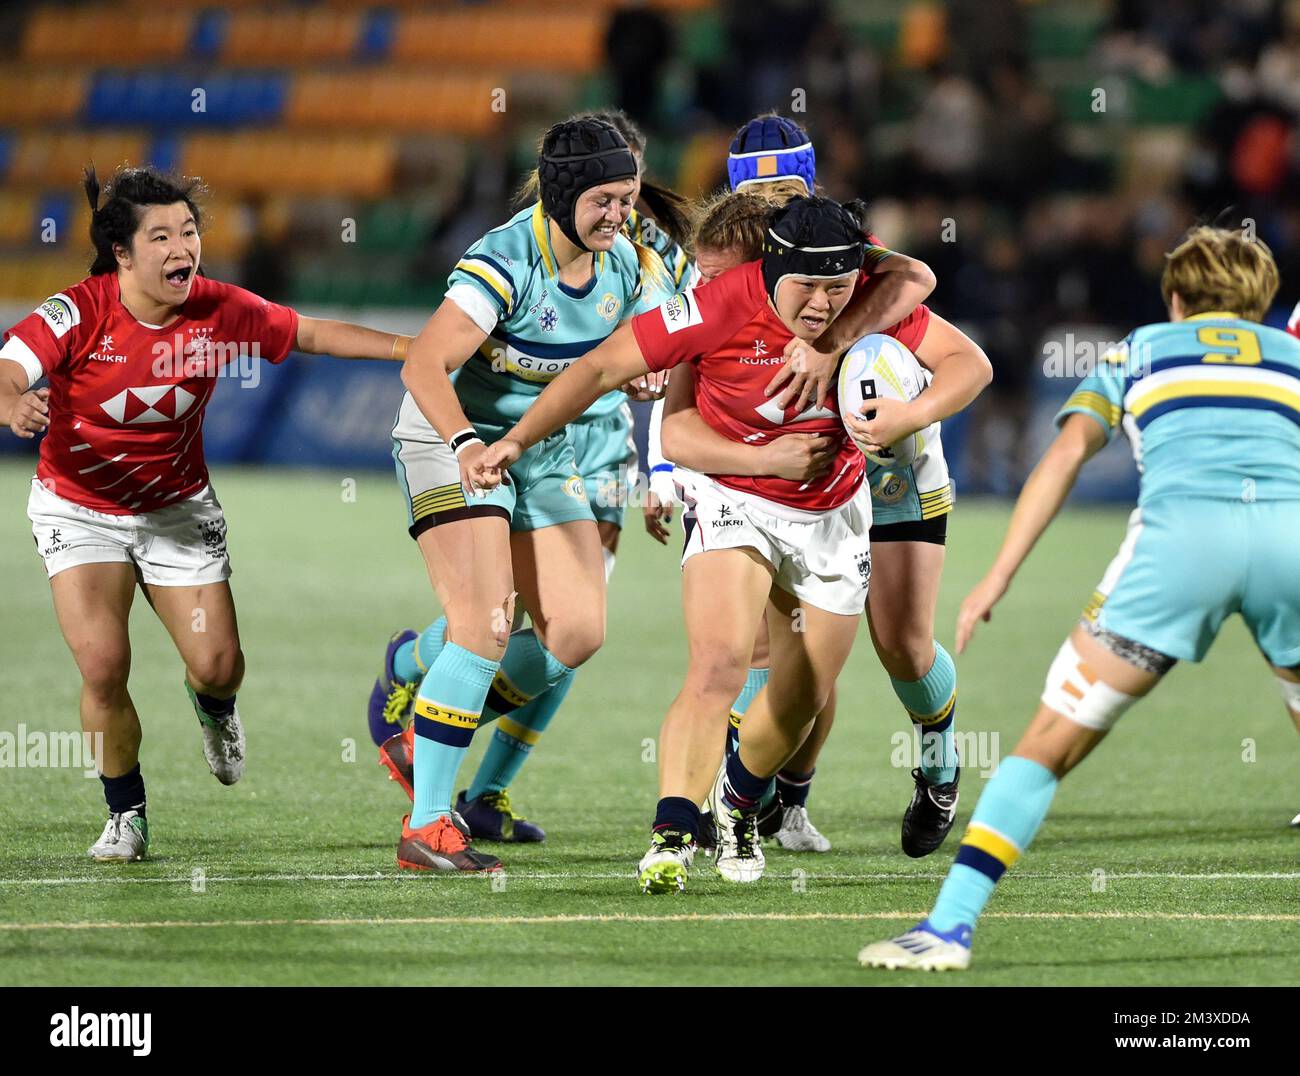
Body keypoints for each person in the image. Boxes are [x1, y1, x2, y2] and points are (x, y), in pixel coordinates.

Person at [859, 227, 1300, 971]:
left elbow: (1064, 455)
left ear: (1176, 298)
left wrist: (997, 575)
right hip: (1290, 543)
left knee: (1045, 747)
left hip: (1180, 552)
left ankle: (948, 929)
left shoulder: (1140, 350)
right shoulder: (1293, 357)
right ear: (1261, 301)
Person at [471, 196, 929, 892]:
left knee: (806, 692)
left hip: (833, 510)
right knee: (717, 664)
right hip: (735, 496)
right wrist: (514, 439)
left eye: (834, 286)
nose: (821, 300)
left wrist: (899, 399)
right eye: (806, 286)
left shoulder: (861, 297)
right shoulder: (716, 307)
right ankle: (672, 834)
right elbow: (609, 376)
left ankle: (741, 800)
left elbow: (942, 320)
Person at [0, 165, 411, 862]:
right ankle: (125, 811)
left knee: (218, 664)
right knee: (102, 664)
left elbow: (309, 334)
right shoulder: (79, 311)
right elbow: (10, 365)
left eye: (187, 231)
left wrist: (408, 348)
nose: (180, 246)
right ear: (123, 253)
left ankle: (214, 707)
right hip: (81, 511)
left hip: (178, 512)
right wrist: (13, 401)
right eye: (159, 235)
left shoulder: (219, 310)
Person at [650, 114, 980, 857]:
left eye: (785, 186)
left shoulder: (845, 259)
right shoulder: (721, 270)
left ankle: (938, 761)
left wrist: (874, 381)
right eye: (756, 187)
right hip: (799, 481)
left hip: (896, 471)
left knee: (902, 645)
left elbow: (921, 287)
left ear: (809, 186)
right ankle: (764, 804)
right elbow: (681, 388)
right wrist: (663, 470)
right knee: (777, 654)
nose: (771, 199)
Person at [366, 113, 695, 847]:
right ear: (562, 193)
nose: (619, 215)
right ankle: (429, 826)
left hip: (540, 448)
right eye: (603, 200)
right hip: (450, 439)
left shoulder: (632, 260)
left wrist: (645, 382)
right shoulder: (507, 259)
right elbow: (424, 362)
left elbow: (625, 357)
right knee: (485, 625)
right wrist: (461, 444)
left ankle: (412, 682)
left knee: (574, 634)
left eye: (627, 198)